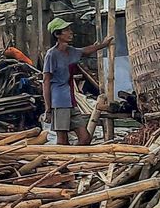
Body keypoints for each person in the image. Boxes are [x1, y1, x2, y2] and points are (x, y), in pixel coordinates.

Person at [41, 18, 111, 146]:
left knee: (85, 138)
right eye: (66, 30)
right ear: (57, 35)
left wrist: (104, 44)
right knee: (62, 141)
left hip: (71, 101)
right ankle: (63, 164)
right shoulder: (51, 55)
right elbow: (46, 81)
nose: (70, 32)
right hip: (59, 101)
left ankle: (74, 159)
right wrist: (48, 108)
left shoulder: (71, 51)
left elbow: (85, 50)